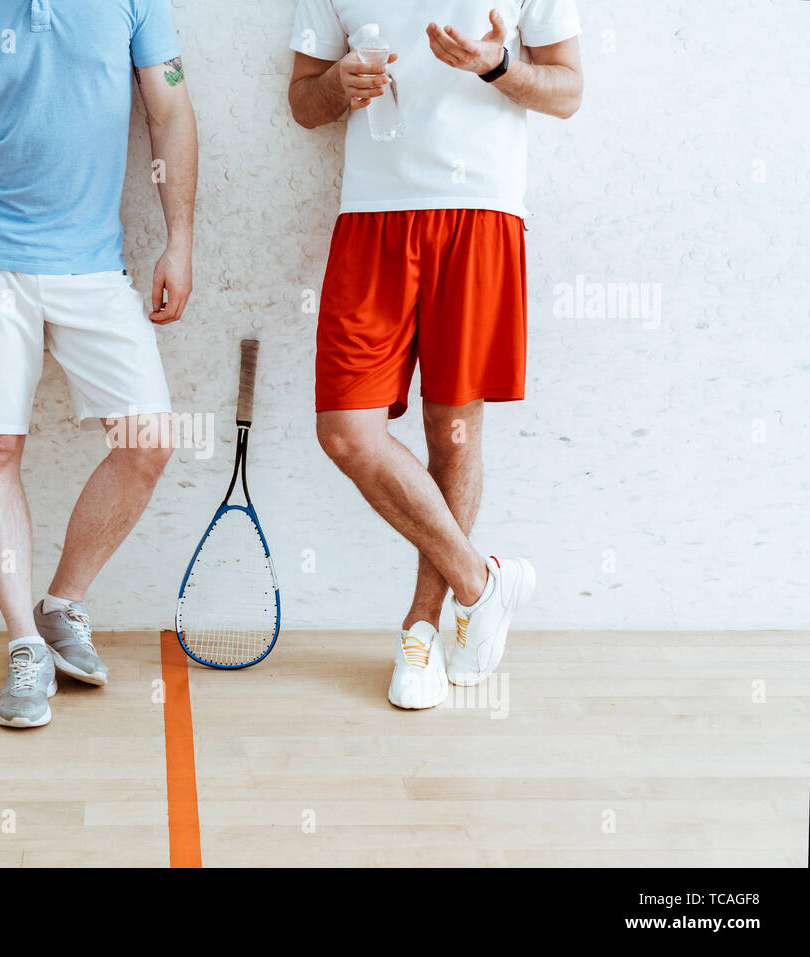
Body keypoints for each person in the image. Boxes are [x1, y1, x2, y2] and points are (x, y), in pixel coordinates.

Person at [0, 0, 197, 728]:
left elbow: (169, 112)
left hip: (92, 263)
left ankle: (63, 603)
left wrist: (180, 239)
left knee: (149, 439)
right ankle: (24, 644)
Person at [287, 2, 582, 708]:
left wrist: (498, 66)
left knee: (452, 432)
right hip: (370, 217)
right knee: (346, 432)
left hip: (480, 212)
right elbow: (302, 101)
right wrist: (336, 87)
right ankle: (480, 584)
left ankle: (421, 629)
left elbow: (568, 90)